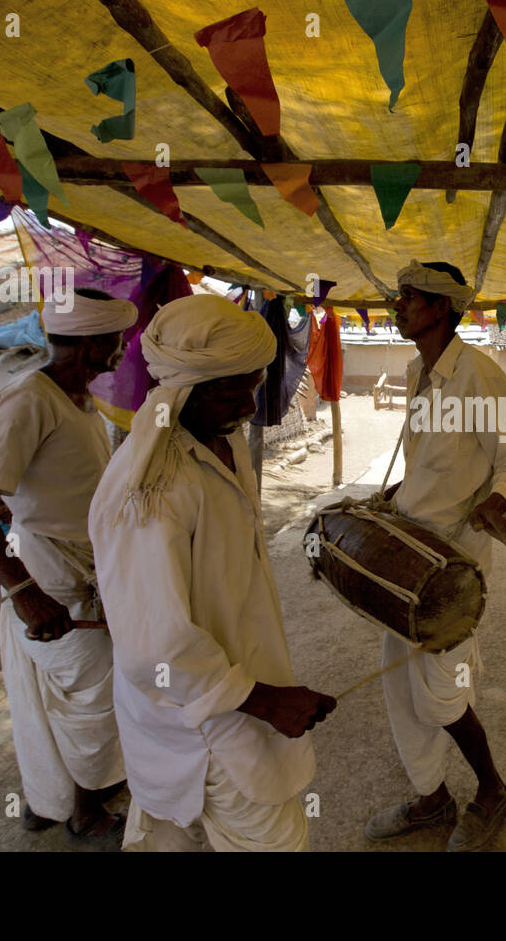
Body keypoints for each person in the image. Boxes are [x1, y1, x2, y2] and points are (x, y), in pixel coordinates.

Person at [89, 294, 334, 852]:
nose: (250, 404)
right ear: (184, 389)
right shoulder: (154, 485)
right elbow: (156, 648)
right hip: (205, 716)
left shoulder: (218, 442)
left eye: (253, 384)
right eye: (234, 388)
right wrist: (268, 702)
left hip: (226, 693)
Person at [0, 288, 136, 848]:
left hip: (72, 570)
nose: (121, 351)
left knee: (67, 692)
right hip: (52, 577)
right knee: (89, 697)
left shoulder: (74, 401)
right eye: (116, 340)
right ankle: (84, 813)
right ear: (92, 343)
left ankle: (49, 797)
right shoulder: (31, 397)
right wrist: (25, 590)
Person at [364, 260, 506, 852]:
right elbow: (430, 468)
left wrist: (499, 502)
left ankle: (492, 790)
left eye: (408, 297)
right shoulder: (416, 372)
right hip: (405, 559)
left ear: (440, 308)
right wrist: (394, 500)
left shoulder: (479, 377)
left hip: (450, 569)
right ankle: (432, 797)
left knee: (441, 690)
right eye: (399, 296)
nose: (398, 306)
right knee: (401, 687)